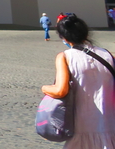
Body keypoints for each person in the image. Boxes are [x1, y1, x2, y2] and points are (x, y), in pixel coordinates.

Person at [41, 14, 115, 147]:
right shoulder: (108, 55)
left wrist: (44, 88)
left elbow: (60, 90)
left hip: (82, 125)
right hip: (110, 124)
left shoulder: (65, 57)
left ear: (64, 37)